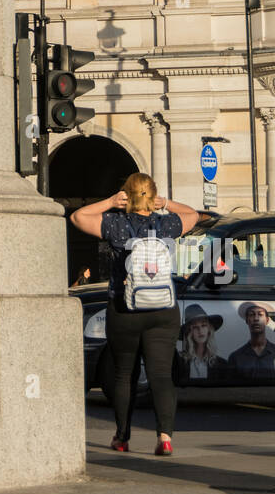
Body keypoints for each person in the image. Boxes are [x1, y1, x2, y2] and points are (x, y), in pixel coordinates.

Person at [71, 173, 199, 456]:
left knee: (123, 374)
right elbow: (194, 215)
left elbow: (78, 217)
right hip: (164, 308)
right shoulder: (167, 223)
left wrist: (109, 202)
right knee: (162, 375)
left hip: (125, 307)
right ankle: (165, 437)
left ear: (126, 195)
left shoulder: (115, 224)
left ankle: (122, 437)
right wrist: (165, 203)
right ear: (152, 197)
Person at [228, 301, 275, 382]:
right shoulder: (235, 357)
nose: (256, 318)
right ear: (247, 321)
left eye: (260, 314)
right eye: (252, 315)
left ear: (267, 320)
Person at [178, 303, 228, 384]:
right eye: (195, 327)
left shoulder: (222, 364)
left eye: (204, 325)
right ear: (189, 332)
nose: (200, 331)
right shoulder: (179, 361)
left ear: (209, 329)